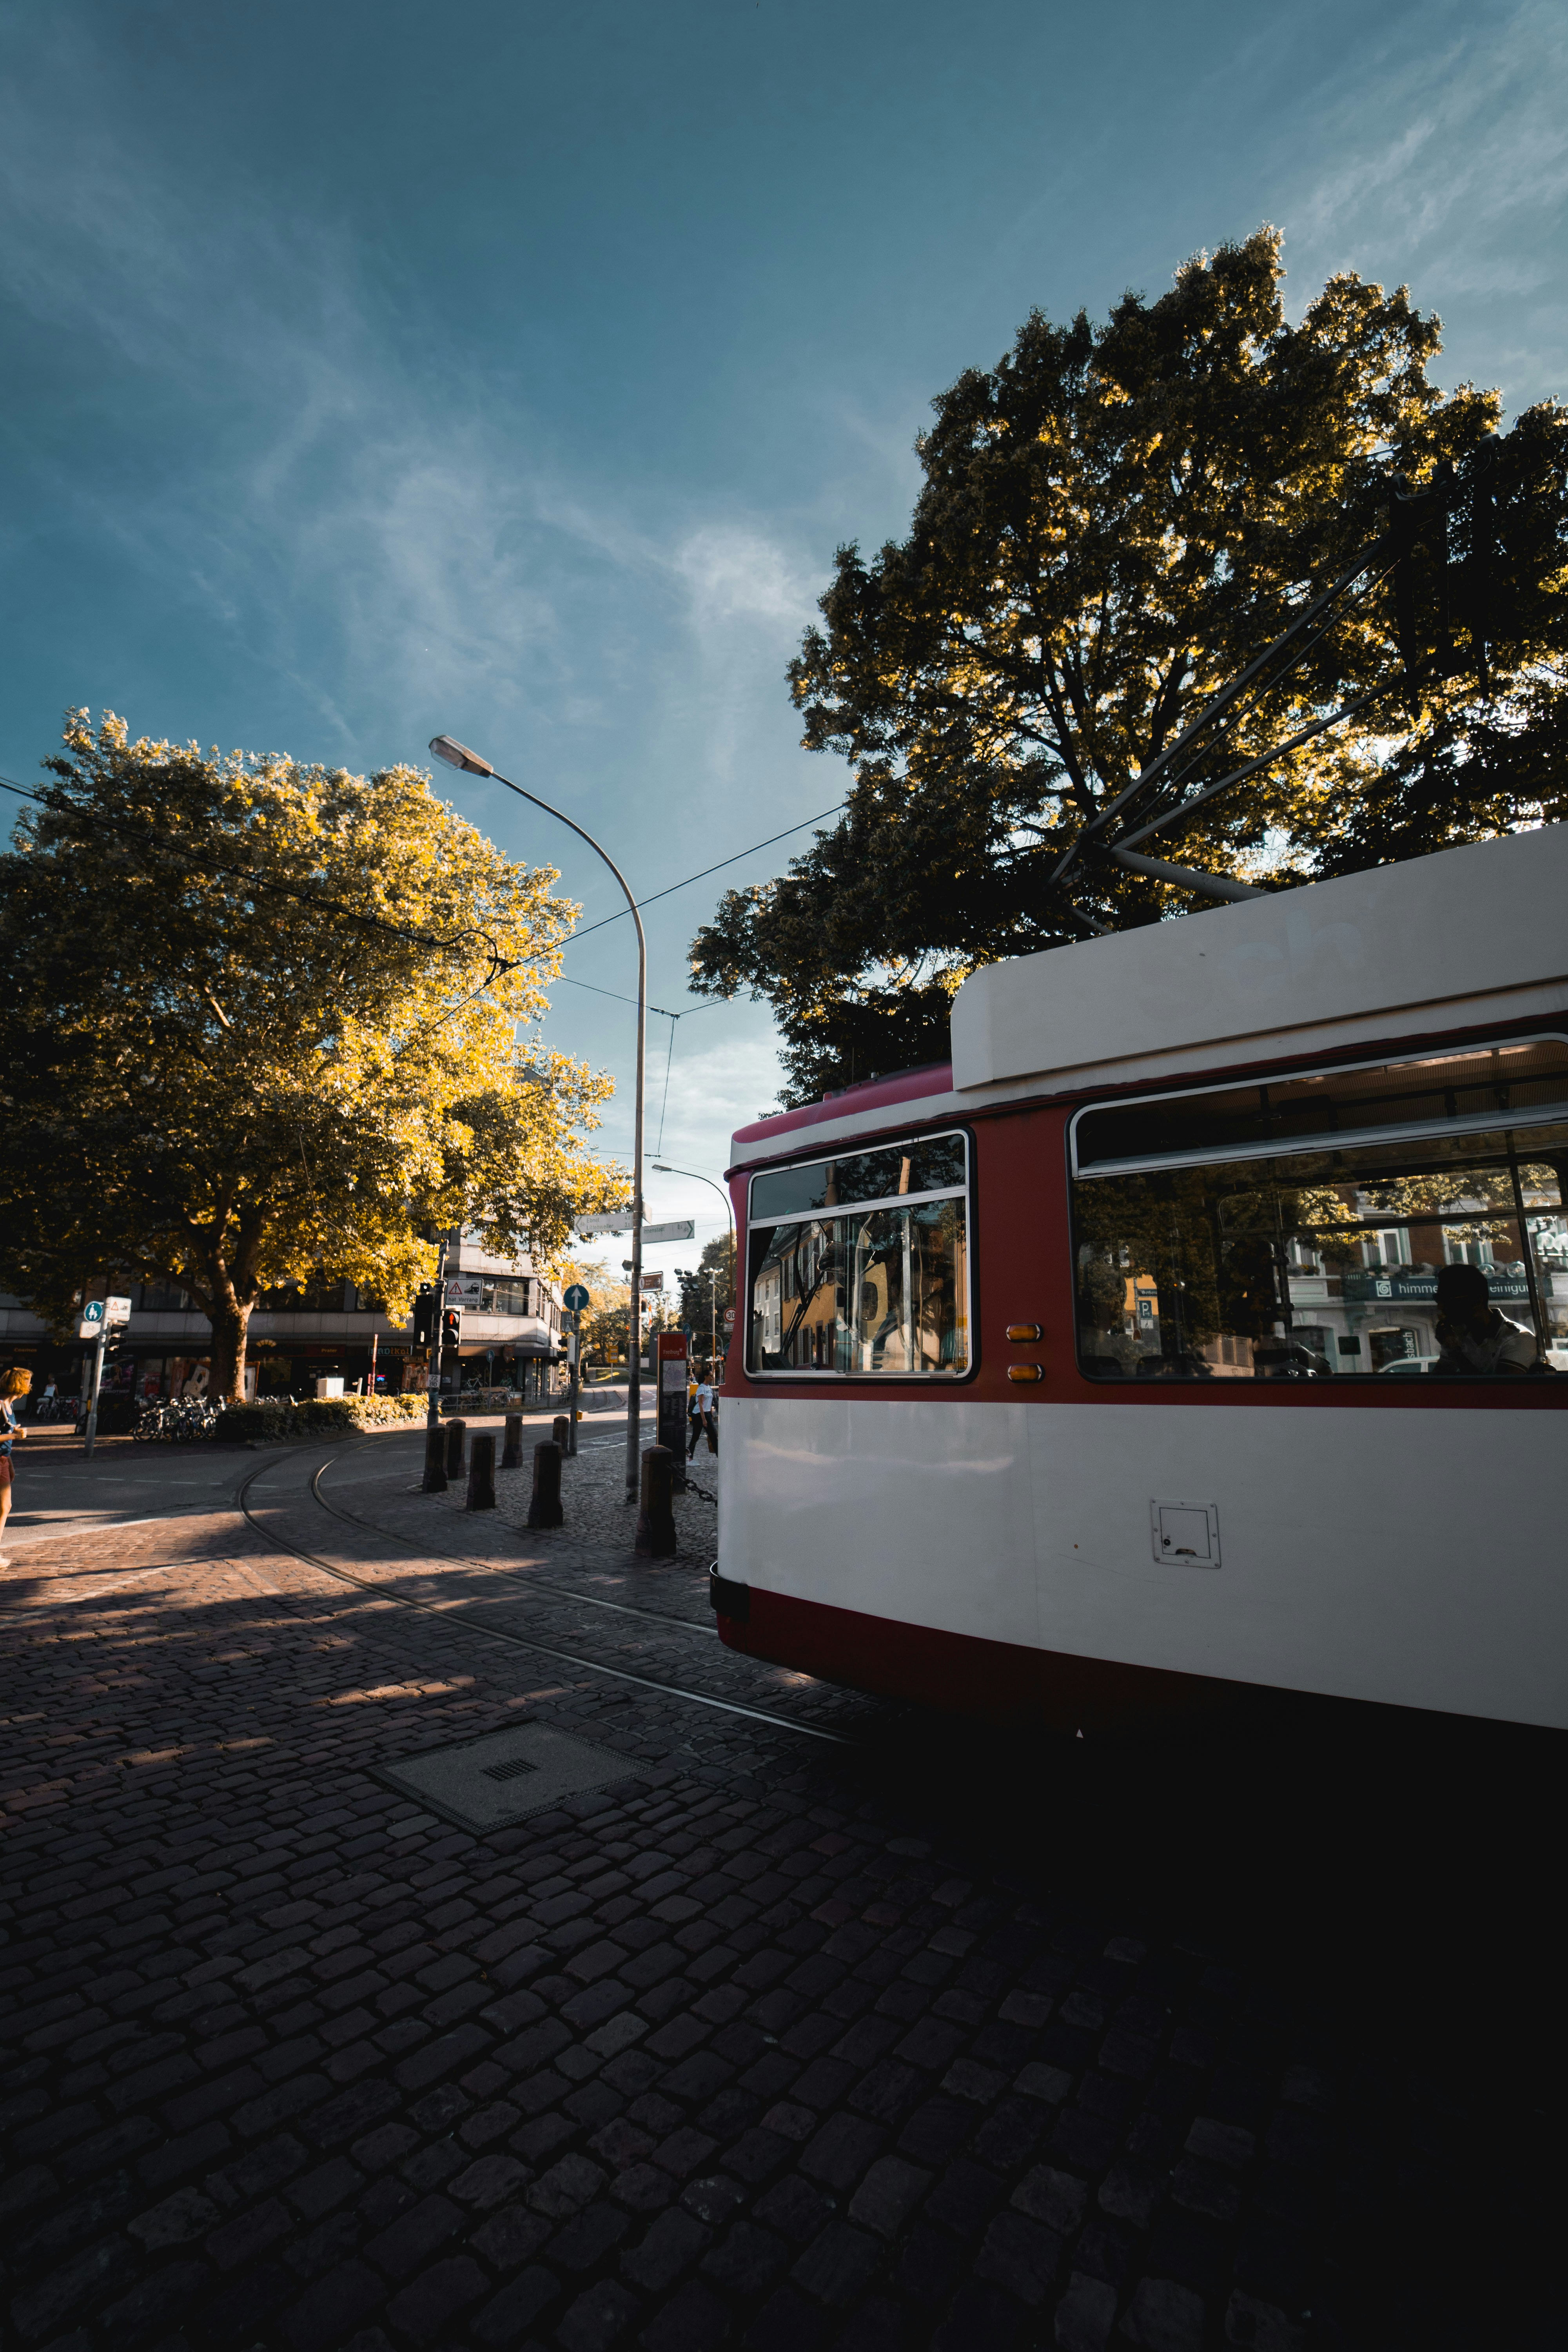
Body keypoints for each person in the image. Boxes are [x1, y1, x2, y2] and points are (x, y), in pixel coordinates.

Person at [1432, 1262, 1541, 1373]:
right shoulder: (1459, 1335)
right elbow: (1437, 1381)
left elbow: (1500, 1389)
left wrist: (1454, 1352)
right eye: (1438, 1299)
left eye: (1447, 1300)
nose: (1440, 1306)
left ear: (1476, 1301)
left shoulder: (1518, 1338)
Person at [0, 1365, 34, 1566]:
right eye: (28, 1382)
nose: (30, 1386)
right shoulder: (0, 1406)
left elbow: (6, 1444)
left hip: (3, 1461)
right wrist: (14, 1435)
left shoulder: (8, 1408)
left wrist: (10, 1464)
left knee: (5, 1506)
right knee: (4, 1507)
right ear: (20, 1386)